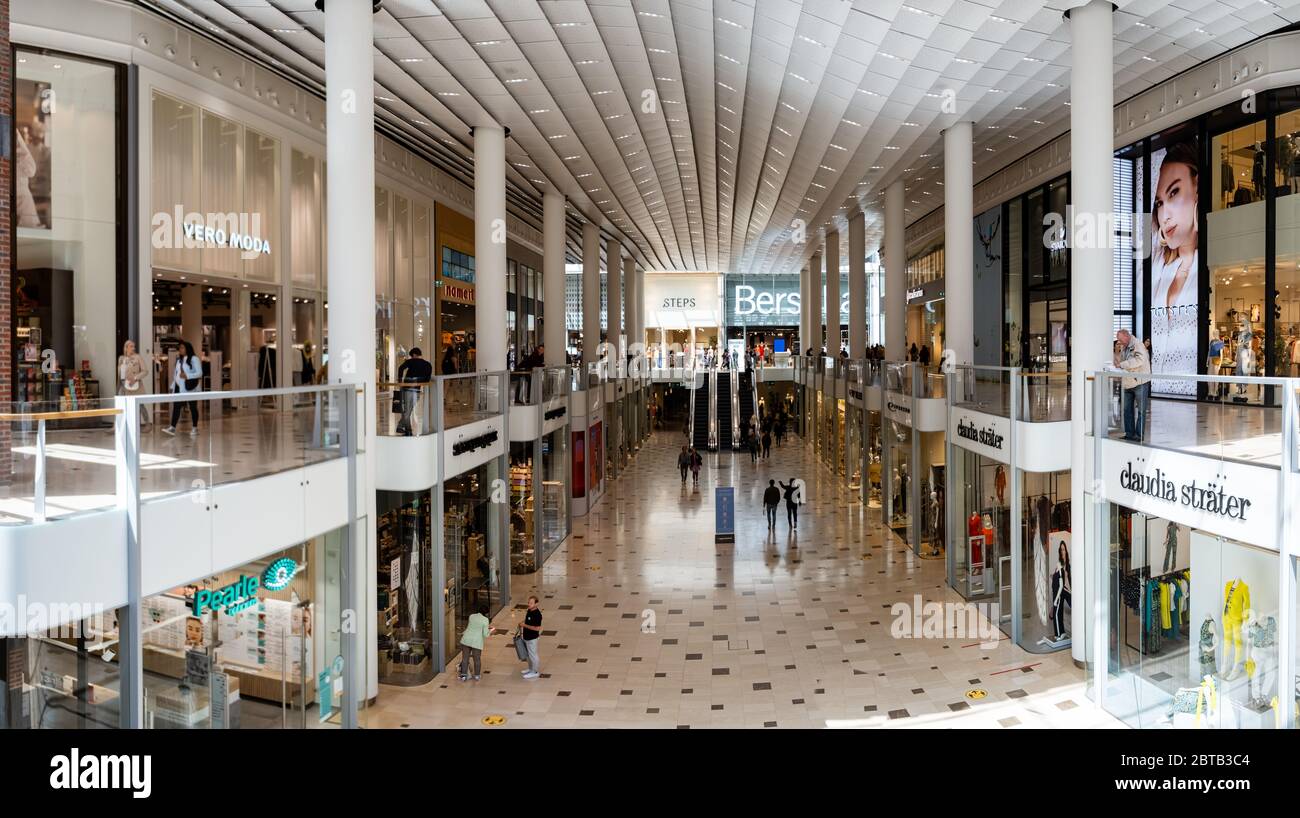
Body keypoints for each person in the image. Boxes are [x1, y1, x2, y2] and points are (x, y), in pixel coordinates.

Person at [1149, 140, 1200, 397]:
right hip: (1159, 394)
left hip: (1195, 400)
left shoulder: (1206, 269)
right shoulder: (1159, 266)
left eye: (1174, 193)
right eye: (1159, 203)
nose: (1165, 214)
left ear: (1197, 192)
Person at [1115, 329, 1151, 442]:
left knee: (1141, 410)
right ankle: (1129, 433)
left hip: (1140, 382)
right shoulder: (1124, 347)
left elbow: (1139, 360)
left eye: (1120, 340)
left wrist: (1122, 365)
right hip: (1128, 383)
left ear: (1127, 336)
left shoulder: (1138, 345)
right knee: (1127, 410)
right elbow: (1121, 363)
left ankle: (1138, 435)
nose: (1120, 343)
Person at [163, 341, 203, 437]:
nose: (180, 349)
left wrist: (187, 375)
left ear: (187, 349)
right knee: (176, 406)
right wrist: (172, 386)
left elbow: (199, 373)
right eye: (180, 348)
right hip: (178, 386)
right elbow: (176, 374)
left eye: (182, 348)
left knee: (193, 407)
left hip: (190, 387)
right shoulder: (178, 360)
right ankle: (172, 427)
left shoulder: (194, 359)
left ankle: (195, 428)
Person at [396, 347, 433, 435]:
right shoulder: (427, 364)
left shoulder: (411, 361)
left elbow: (400, 368)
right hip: (417, 390)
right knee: (409, 409)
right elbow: (428, 378)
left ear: (414, 355)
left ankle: (405, 428)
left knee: (407, 410)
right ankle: (403, 428)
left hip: (407, 388)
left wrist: (400, 381)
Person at [117, 339, 152, 427]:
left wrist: (135, 378)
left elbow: (145, 371)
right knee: (120, 405)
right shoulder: (121, 359)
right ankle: (116, 426)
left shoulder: (138, 357)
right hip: (123, 386)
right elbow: (120, 374)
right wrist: (118, 387)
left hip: (135, 385)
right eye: (131, 346)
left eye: (134, 346)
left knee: (140, 405)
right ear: (126, 348)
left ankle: (147, 424)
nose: (133, 348)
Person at [458, 603, 493, 681]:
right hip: (476, 642)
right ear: (486, 613)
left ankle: (463, 675)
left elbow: (471, 626)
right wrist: (491, 631)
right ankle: (477, 675)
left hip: (466, 639)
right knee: (477, 659)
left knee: (465, 659)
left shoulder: (471, 616)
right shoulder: (485, 620)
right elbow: (485, 634)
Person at [520, 595, 543, 679]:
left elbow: (537, 628)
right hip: (526, 637)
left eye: (531, 603)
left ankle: (535, 671)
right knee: (528, 655)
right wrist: (523, 623)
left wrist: (524, 625)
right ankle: (530, 669)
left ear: (536, 604)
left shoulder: (537, 615)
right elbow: (527, 621)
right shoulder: (529, 610)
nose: (529, 604)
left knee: (533, 655)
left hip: (532, 638)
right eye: (528, 602)